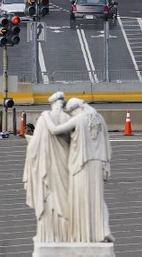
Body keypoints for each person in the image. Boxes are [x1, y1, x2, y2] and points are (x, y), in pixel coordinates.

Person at [39, 98, 113, 244]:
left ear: (74, 109)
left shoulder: (78, 119)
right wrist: (106, 165)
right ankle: (104, 230)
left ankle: (83, 234)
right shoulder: (99, 118)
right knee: (98, 199)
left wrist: (45, 115)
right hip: (97, 163)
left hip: (81, 164)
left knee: (80, 199)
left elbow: (55, 130)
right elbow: (107, 144)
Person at [23, 91, 71, 243]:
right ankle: (64, 232)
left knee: (48, 197)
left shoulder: (45, 118)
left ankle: (48, 232)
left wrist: (30, 142)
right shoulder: (69, 118)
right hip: (64, 162)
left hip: (48, 163)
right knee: (64, 197)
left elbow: (35, 144)